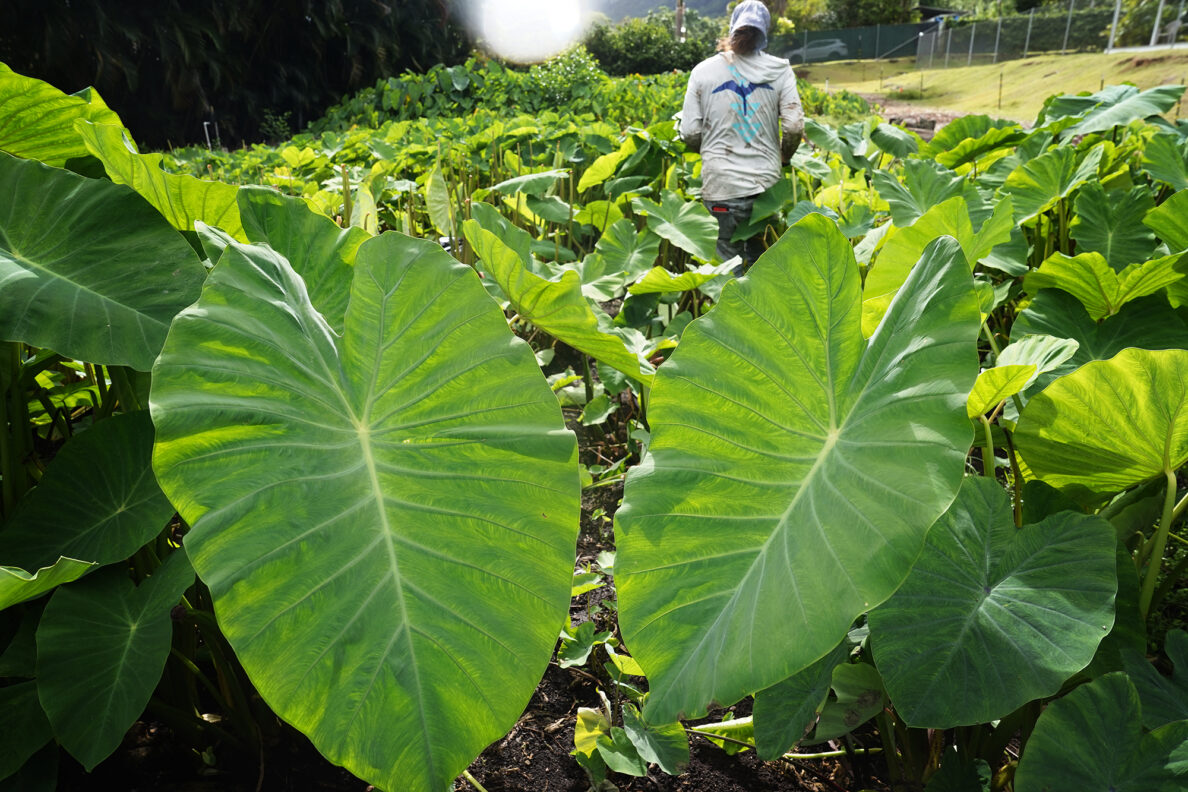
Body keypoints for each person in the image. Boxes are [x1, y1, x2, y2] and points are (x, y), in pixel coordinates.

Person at [679, 0, 803, 273]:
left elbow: (689, 132)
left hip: (721, 187)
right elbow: (794, 127)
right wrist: (784, 156)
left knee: (726, 268)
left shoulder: (703, 71)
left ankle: (729, 313)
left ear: (732, 27)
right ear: (765, 31)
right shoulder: (780, 70)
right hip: (764, 187)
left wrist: (710, 150)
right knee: (762, 265)